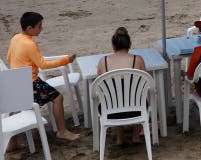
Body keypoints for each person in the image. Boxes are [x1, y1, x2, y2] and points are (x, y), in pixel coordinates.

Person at [5, 11, 81, 143]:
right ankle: (62, 131)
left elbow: (8, 58)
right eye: (39, 26)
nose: (41, 28)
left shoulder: (15, 38)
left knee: (16, 109)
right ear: (29, 28)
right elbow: (43, 64)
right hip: (30, 83)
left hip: (15, 81)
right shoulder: (30, 44)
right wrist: (66, 60)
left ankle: (12, 144)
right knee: (58, 98)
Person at [96, 27, 147, 145]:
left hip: (110, 111)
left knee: (114, 95)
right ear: (130, 45)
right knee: (136, 96)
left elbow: (99, 85)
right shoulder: (137, 60)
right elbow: (146, 82)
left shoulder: (103, 61)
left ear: (113, 46)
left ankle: (120, 137)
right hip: (136, 110)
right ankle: (135, 136)